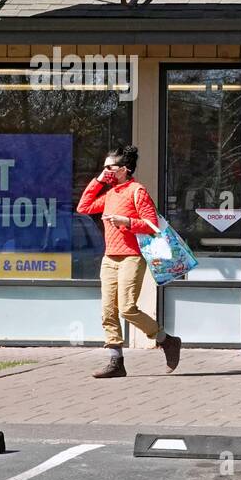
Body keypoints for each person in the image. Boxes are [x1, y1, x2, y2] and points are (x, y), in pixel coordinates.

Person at [76, 144, 182, 378]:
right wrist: (98, 181)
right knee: (108, 311)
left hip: (132, 257)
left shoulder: (137, 191)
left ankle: (167, 341)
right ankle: (116, 362)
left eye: (109, 167)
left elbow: (152, 225)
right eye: (104, 167)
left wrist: (127, 222)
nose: (106, 171)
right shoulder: (109, 193)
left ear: (124, 169)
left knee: (126, 308)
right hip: (109, 257)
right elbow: (83, 207)